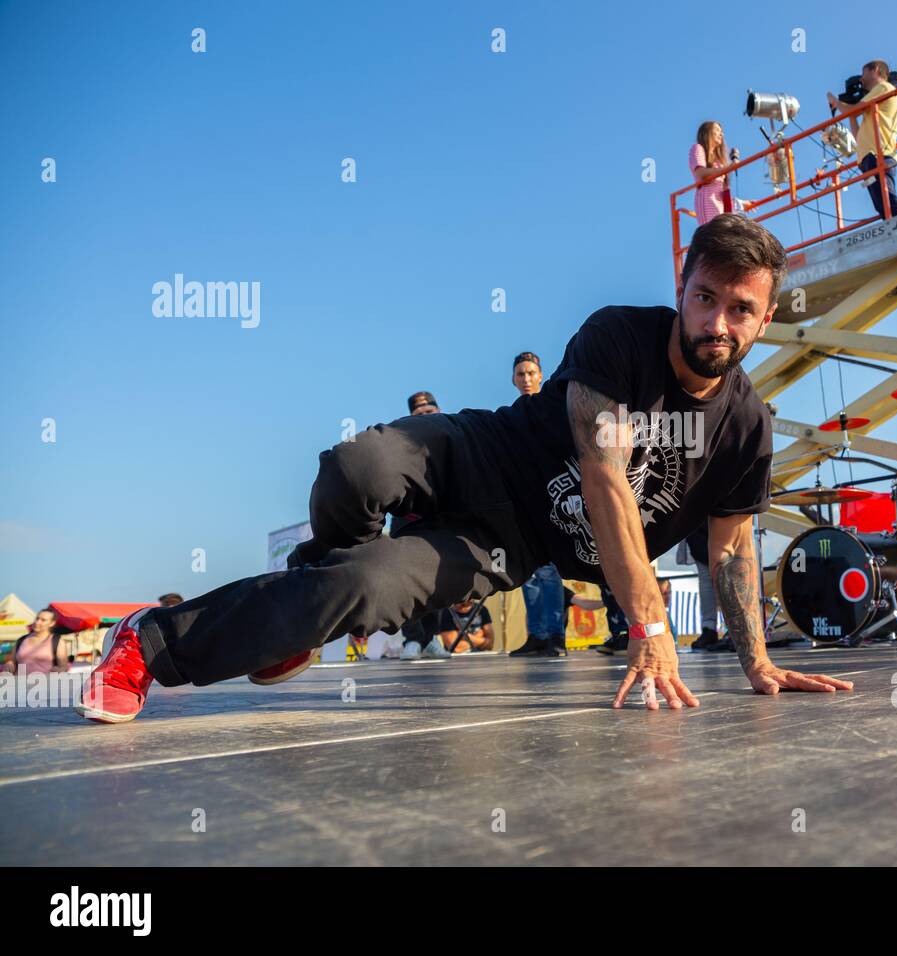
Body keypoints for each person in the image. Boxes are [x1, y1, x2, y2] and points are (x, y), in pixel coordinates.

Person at [77, 213, 853, 724]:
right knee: (355, 466)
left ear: (766, 315)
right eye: (705, 297)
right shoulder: (619, 335)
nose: (718, 322)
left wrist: (756, 658)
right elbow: (605, 476)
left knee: (359, 587)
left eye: (740, 309)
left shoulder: (748, 426)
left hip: (504, 544)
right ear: (681, 288)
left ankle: (149, 642)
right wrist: (651, 621)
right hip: (480, 452)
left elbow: (732, 547)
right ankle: (301, 602)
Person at [508, 351, 570, 658]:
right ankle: (536, 635)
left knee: (549, 572)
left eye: (531, 373)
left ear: (541, 376)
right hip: (523, 501)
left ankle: (555, 636)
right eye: (521, 374)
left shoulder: (552, 408)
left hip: (551, 496)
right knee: (529, 573)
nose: (526, 379)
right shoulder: (511, 414)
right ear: (513, 379)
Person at [394, 391, 454, 660]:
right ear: (411, 417)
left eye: (430, 411)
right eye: (419, 413)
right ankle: (412, 639)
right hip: (408, 520)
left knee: (438, 580)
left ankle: (431, 638)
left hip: (440, 519)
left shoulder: (453, 436)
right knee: (407, 580)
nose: (426, 416)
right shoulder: (401, 439)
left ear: (439, 410)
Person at [827, 61, 897, 221]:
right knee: (882, 205)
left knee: (887, 200)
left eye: (863, 73)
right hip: (869, 157)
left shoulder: (884, 88)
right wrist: (851, 113)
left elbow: (851, 110)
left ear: (875, 70)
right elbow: (858, 136)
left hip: (878, 155)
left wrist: (835, 101)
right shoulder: (874, 101)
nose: (861, 79)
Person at [689, 122, 747, 227]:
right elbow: (700, 174)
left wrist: (740, 203)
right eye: (717, 130)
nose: (721, 134)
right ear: (707, 133)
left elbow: (722, 193)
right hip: (707, 203)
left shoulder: (719, 162)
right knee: (712, 236)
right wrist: (726, 169)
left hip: (722, 210)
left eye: (722, 132)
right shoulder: (698, 148)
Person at [4, 608, 68, 676]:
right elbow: (11, 661)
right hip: (19, 684)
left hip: (45, 684)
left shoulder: (57, 641)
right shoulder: (21, 640)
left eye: (43, 620)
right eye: (37, 618)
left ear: (52, 623)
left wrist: (58, 670)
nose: (37, 622)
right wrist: (10, 664)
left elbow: (63, 667)